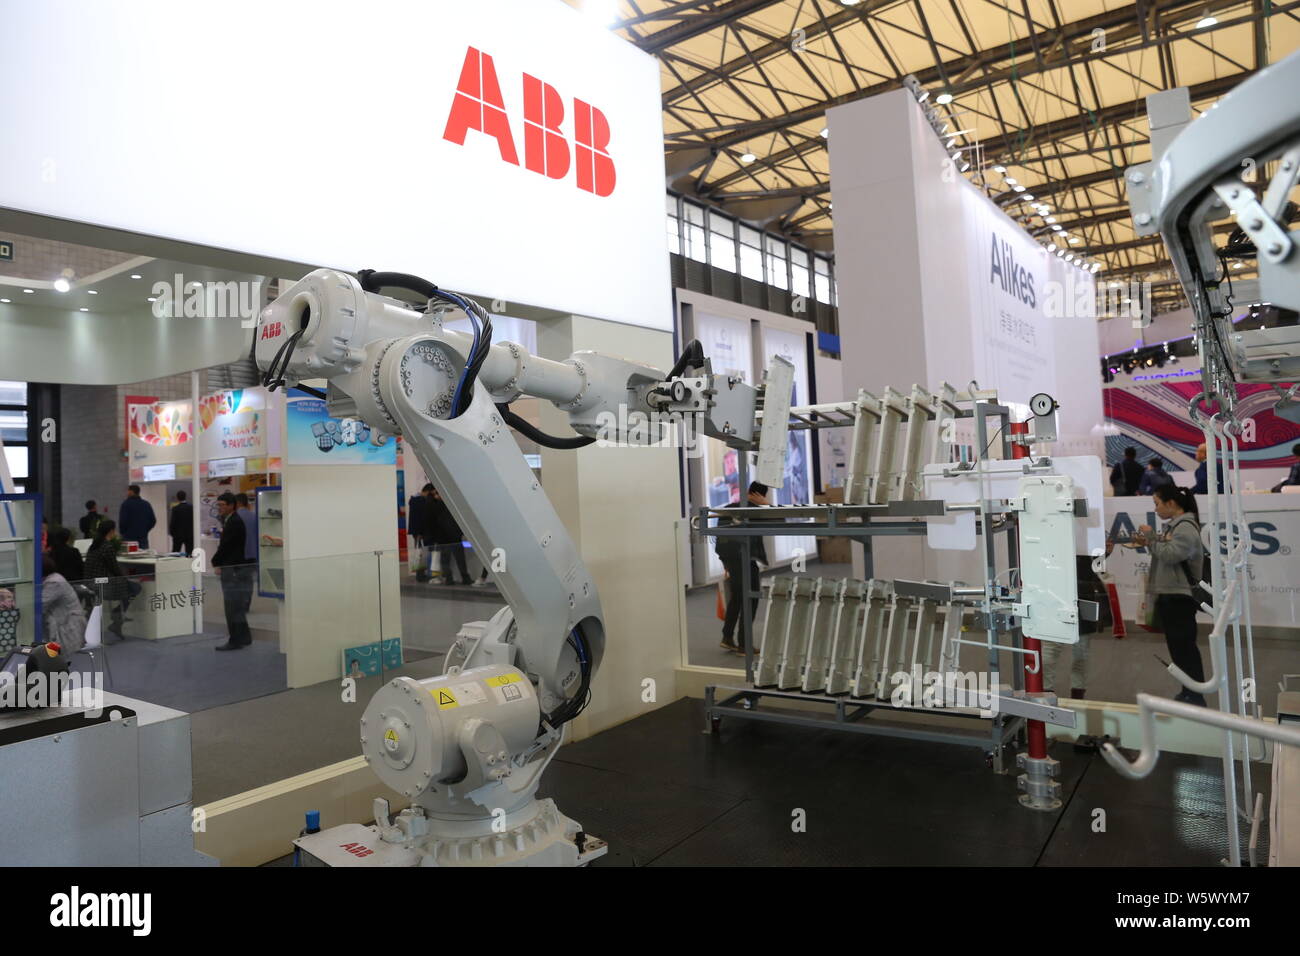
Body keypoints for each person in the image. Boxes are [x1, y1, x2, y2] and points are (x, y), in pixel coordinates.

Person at [1132, 485, 1206, 706]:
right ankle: (1189, 691)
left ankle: (1194, 694)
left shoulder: (1185, 527)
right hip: (1172, 595)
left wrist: (1150, 538)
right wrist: (1152, 540)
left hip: (1178, 596)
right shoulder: (1177, 526)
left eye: (1157, 503)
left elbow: (1172, 555)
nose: (1155, 509)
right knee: (1180, 649)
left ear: (1171, 503)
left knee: (1184, 649)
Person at [716, 481, 770, 654]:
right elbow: (781, 522)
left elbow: (720, 540)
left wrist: (726, 562)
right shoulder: (757, 511)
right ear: (762, 496)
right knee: (751, 598)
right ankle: (743, 644)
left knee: (738, 597)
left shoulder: (730, 508)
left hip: (731, 559)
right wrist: (767, 506)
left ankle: (727, 637)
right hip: (745, 559)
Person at [83, 520, 140, 638]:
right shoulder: (107, 546)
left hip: (90, 582)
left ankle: (117, 618)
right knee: (135, 588)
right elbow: (115, 569)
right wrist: (125, 578)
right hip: (102, 584)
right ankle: (117, 617)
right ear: (111, 531)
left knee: (128, 586)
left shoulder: (94, 546)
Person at [212, 492, 254, 650]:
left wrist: (216, 561)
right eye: (218, 505)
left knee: (232, 606)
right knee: (237, 605)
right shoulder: (232, 519)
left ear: (231, 505)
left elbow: (226, 546)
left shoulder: (234, 521)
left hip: (233, 568)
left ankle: (235, 639)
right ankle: (244, 637)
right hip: (238, 566)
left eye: (222, 505)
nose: (220, 508)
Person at [41, 553, 87, 656]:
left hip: (69, 629)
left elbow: (39, 606)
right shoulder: (54, 577)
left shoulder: (54, 582)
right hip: (64, 624)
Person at [428, 488, 472, 586]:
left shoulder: (436, 506)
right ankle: (465, 578)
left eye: (436, 493)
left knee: (445, 560)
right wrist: (460, 533)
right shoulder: (454, 506)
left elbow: (433, 522)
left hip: (443, 538)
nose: (435, 496)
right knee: (460, 559)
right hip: (455, 537)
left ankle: (448, 578)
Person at [118, 484, 156, 550]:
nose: (127, 493)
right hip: (143, 537)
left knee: (129, 558)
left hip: (129, 538)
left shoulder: (126, 504)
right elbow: (153, 520)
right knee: (144, 558)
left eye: (128, 491)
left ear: (131, 492)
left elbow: (123, 521)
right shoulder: (146, 504)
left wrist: (123, 533)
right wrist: (145, 530)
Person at [408, 484, 432, 583]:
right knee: (420, 554)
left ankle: (420, 574)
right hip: (419, 532)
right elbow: (419, 519)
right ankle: (420, 575)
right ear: (427, 491)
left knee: (419, 554)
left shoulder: (414, 500)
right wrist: (419, 532)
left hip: (416, 532)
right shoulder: (420, 501)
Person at [234, 493, 257, 564]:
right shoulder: (254, 516)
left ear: (237, 503)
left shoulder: (234, 517)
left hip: (238, 554)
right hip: (253, 553)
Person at [169, 490, 194, 556]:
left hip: (177, 534)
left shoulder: (175, 508)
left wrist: (171, 532)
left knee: (175, 552)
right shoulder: (191, 507)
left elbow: (173, 522)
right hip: (189, 534)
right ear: (185, 497)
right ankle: (189, 565)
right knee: (189, 552)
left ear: (177, 497)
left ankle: (175, 565)